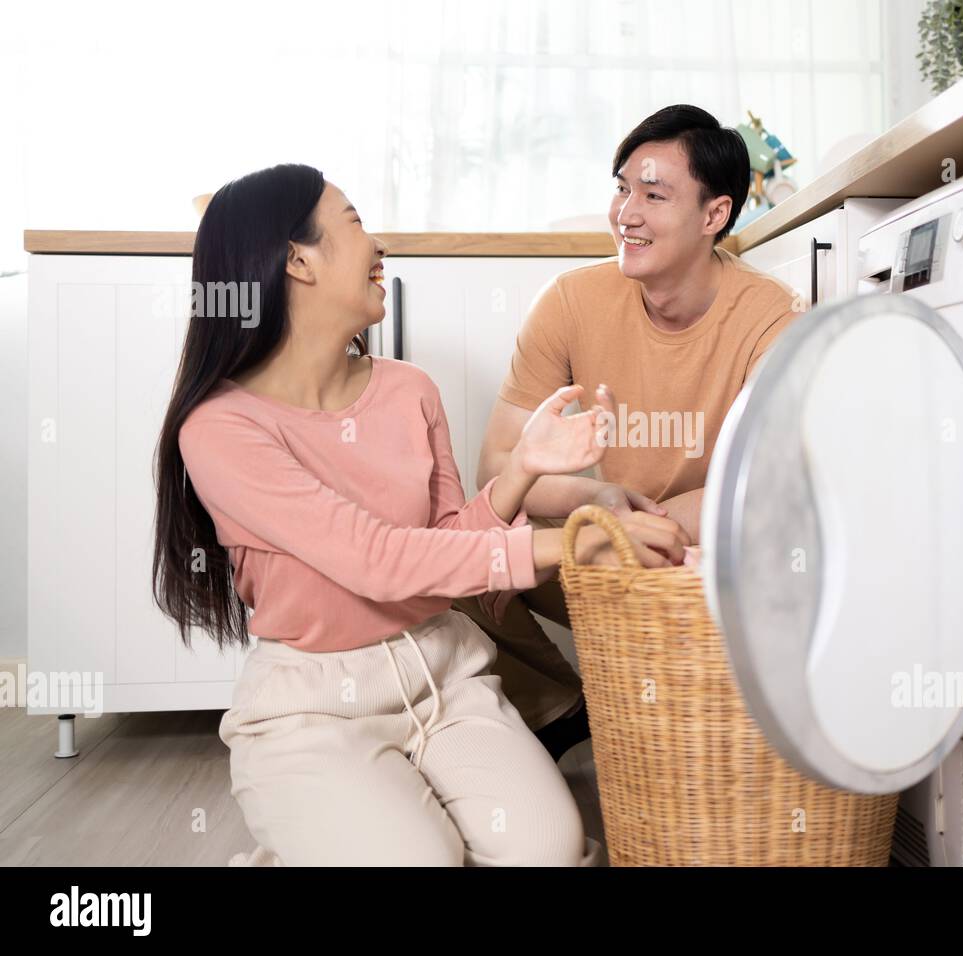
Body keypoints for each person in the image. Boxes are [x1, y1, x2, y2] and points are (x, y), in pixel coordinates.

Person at [151, 163, 687, 865]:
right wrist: (567, 544)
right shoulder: (222, 427)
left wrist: (524, 468)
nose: (378, 247)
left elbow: (440, 557)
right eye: (354, 222)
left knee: (547, 852)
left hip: (445, 678)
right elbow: (372, 558)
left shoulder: (409, 390)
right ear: (297, 261)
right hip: (311, 709)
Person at [457, 105, 801, 757]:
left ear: (713, 215)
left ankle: (691, 731)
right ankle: (563, 707)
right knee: (461, 545)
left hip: (709, 560)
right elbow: (496, 467)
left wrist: (648, 529)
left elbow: (766, 486)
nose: (627, 213)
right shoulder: (569, 300)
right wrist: (597, 505)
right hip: (608, 543)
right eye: (621, 188)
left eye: (653, 194)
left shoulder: (771, 316)